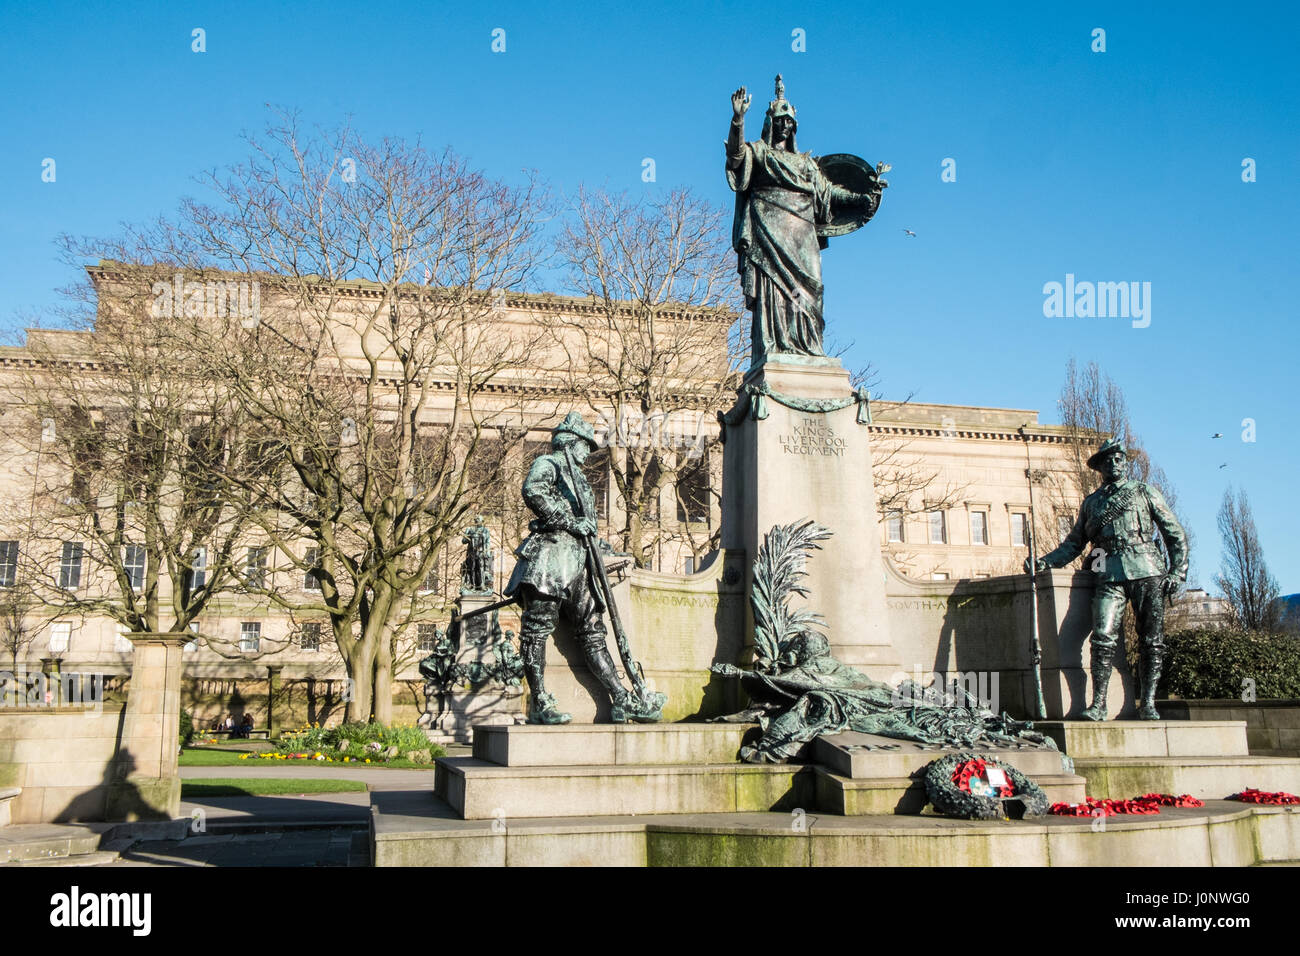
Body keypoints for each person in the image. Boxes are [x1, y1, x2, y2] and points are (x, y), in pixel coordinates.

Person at [504, 412, 665, 725]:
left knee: (593, 634)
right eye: (586, 446)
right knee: (536, 631)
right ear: (572, 441)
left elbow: (587, 527)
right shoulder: (549, 463)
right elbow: (533, 491)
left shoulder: (580, 479)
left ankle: (620, 698)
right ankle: (540, 702)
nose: (588, 453)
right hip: (549, 559)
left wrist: (606, 549)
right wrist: (567, 521)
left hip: (580, 562)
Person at [1026, 438, 1188, 720]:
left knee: (1152, 641)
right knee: (1101, 637)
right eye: (1108, 460)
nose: (1115, 463)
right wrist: (1044, 561)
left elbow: (1174, 533)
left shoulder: (1144, 492)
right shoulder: (1091, 504)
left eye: (1119, 458)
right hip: (1108, 573)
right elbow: (1074, 544)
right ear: (1099, 467)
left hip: (1148, 570)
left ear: (1125, 462)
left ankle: (1147, 703)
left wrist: (1178, 570)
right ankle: (1099, 704)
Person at [726, 75, 877, 363]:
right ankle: (776, 346)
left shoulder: (807, 164)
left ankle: (807, 347)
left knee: (811, 291)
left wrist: (860, 198)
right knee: (775, 291)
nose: (785, 125)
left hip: (803, 235)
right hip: (769, 228)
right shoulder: (760, 152)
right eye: (780, 120)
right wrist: (738, 121)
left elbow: (829, 193)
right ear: (771, 124)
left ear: (794, 127)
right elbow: (735, 157)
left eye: (789, 122)